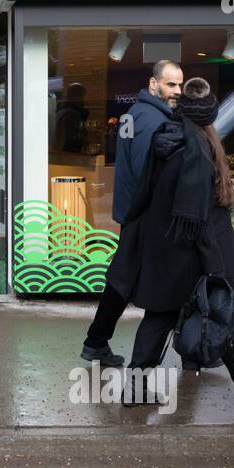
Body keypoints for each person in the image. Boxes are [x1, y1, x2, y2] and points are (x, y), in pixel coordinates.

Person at [104, 77, 234, 407]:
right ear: (208, 118)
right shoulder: (194, 152)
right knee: (216, 311)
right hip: (189, 253)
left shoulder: (168, 138)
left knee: (167, 317)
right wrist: (214, 266)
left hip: (167, 249)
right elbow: (197, 216)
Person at [79, 59, 183, 367]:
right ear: (154, 84)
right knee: (143, 281)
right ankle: (195, 349)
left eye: (180, 84)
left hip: (135, 214)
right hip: (147, 217)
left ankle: (96, 342)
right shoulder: (152, 120)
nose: (177, 90)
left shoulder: (136, 114)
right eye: (170, 84)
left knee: (123, 280)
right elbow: (145, 172)